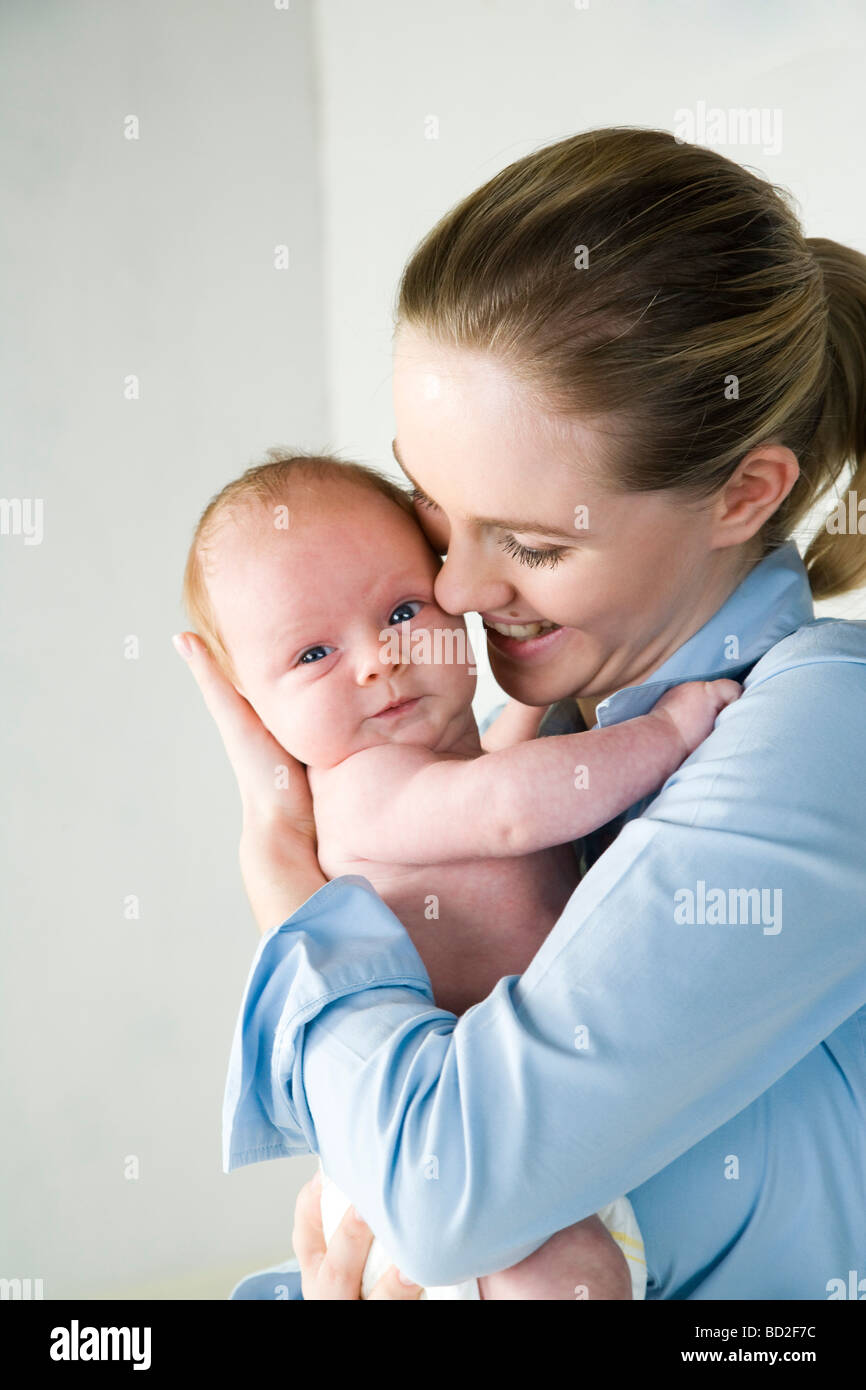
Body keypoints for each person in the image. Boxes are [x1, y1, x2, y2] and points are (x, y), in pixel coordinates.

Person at [174, 127, 866, 1300]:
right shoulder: (547, 738)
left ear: (745, 492)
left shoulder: (821, 737)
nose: (449, 595)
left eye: (533, 544)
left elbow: (444, 1193)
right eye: (434, 513)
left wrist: (296, 896)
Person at [180, 448, 741, 1298]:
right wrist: (665, 734)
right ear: (253, 712)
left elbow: (505, 765)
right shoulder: (360, 790)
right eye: (312, 656)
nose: (376, 660)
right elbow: (511, 811)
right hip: (437, 1174)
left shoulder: (463, 756)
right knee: (563, 1280)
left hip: (524, 1154)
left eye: (403, 609)